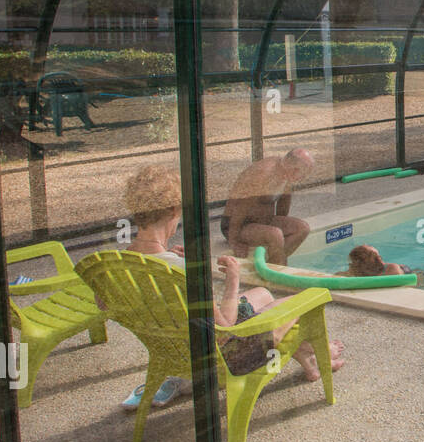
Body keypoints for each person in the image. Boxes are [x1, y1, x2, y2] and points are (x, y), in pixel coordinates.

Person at [117, 166, 344, 410]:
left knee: (263, 294)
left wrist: (168, 258)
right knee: (295, 304)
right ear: (173, 210)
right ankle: (318, 353)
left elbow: (105, 303)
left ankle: (311, 361)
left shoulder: (116, 263)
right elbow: (225, 328)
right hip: (223, 356)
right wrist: (232, 280)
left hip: (177, 347)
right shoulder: (181, 270)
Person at [220, 148, 314, 264]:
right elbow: (240, 208)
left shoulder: (287, 175)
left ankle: (273, 263)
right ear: (293, 168)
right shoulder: (264, 174)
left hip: (263, 221)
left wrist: (281, 226)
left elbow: (283, 203)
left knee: (302, 228)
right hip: (236, 225)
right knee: (275, 234)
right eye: (303, 174)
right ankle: (279, 271)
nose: (302, 178)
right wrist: (234, 241)